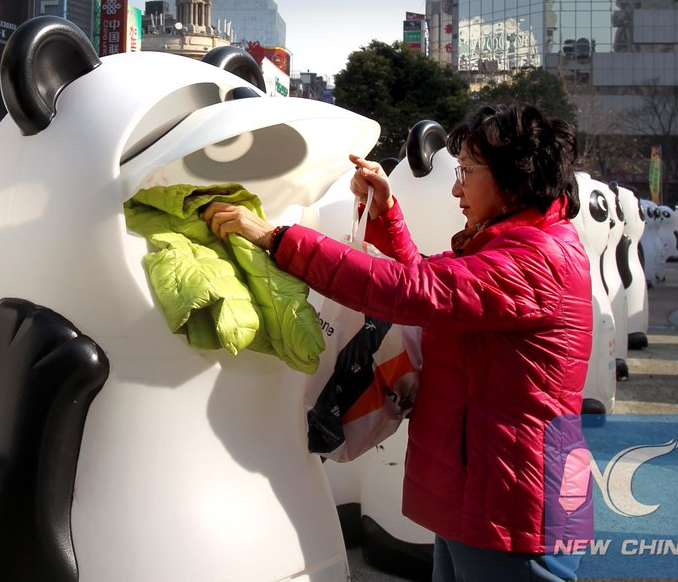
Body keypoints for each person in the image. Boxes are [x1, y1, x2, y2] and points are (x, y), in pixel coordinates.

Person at [203, 103, 593, 582]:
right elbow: (440, 290)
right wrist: (386, 216)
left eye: (467, 171)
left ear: (515, 179)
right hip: (481, 494)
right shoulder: (515, 245)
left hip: (511, 509)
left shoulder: (537, 259)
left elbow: (416, 292)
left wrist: (278, 239)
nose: (456, 188)